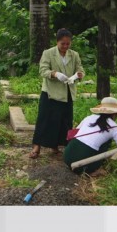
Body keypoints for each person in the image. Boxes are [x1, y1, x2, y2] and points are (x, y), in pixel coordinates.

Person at [30, 28, 85, 159]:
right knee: (44, 120)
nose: (65, 46)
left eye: (68, 44)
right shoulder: (48, 53)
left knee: (64, 122)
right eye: (62, 44)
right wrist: (54, 74)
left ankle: (57, 147)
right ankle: (36, 147)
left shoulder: (74, 55)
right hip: (50, 92)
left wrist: (78, 75)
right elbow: (43, 70)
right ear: (57, 42)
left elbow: (80, 69)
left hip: (67, 93)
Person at [63, 97, 117, 175]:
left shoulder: (89, 117)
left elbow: (75, 132)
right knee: (107, 142)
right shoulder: (115, 128)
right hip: (82, 166)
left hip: (67, 156)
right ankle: (92, 170)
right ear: (115, 114)